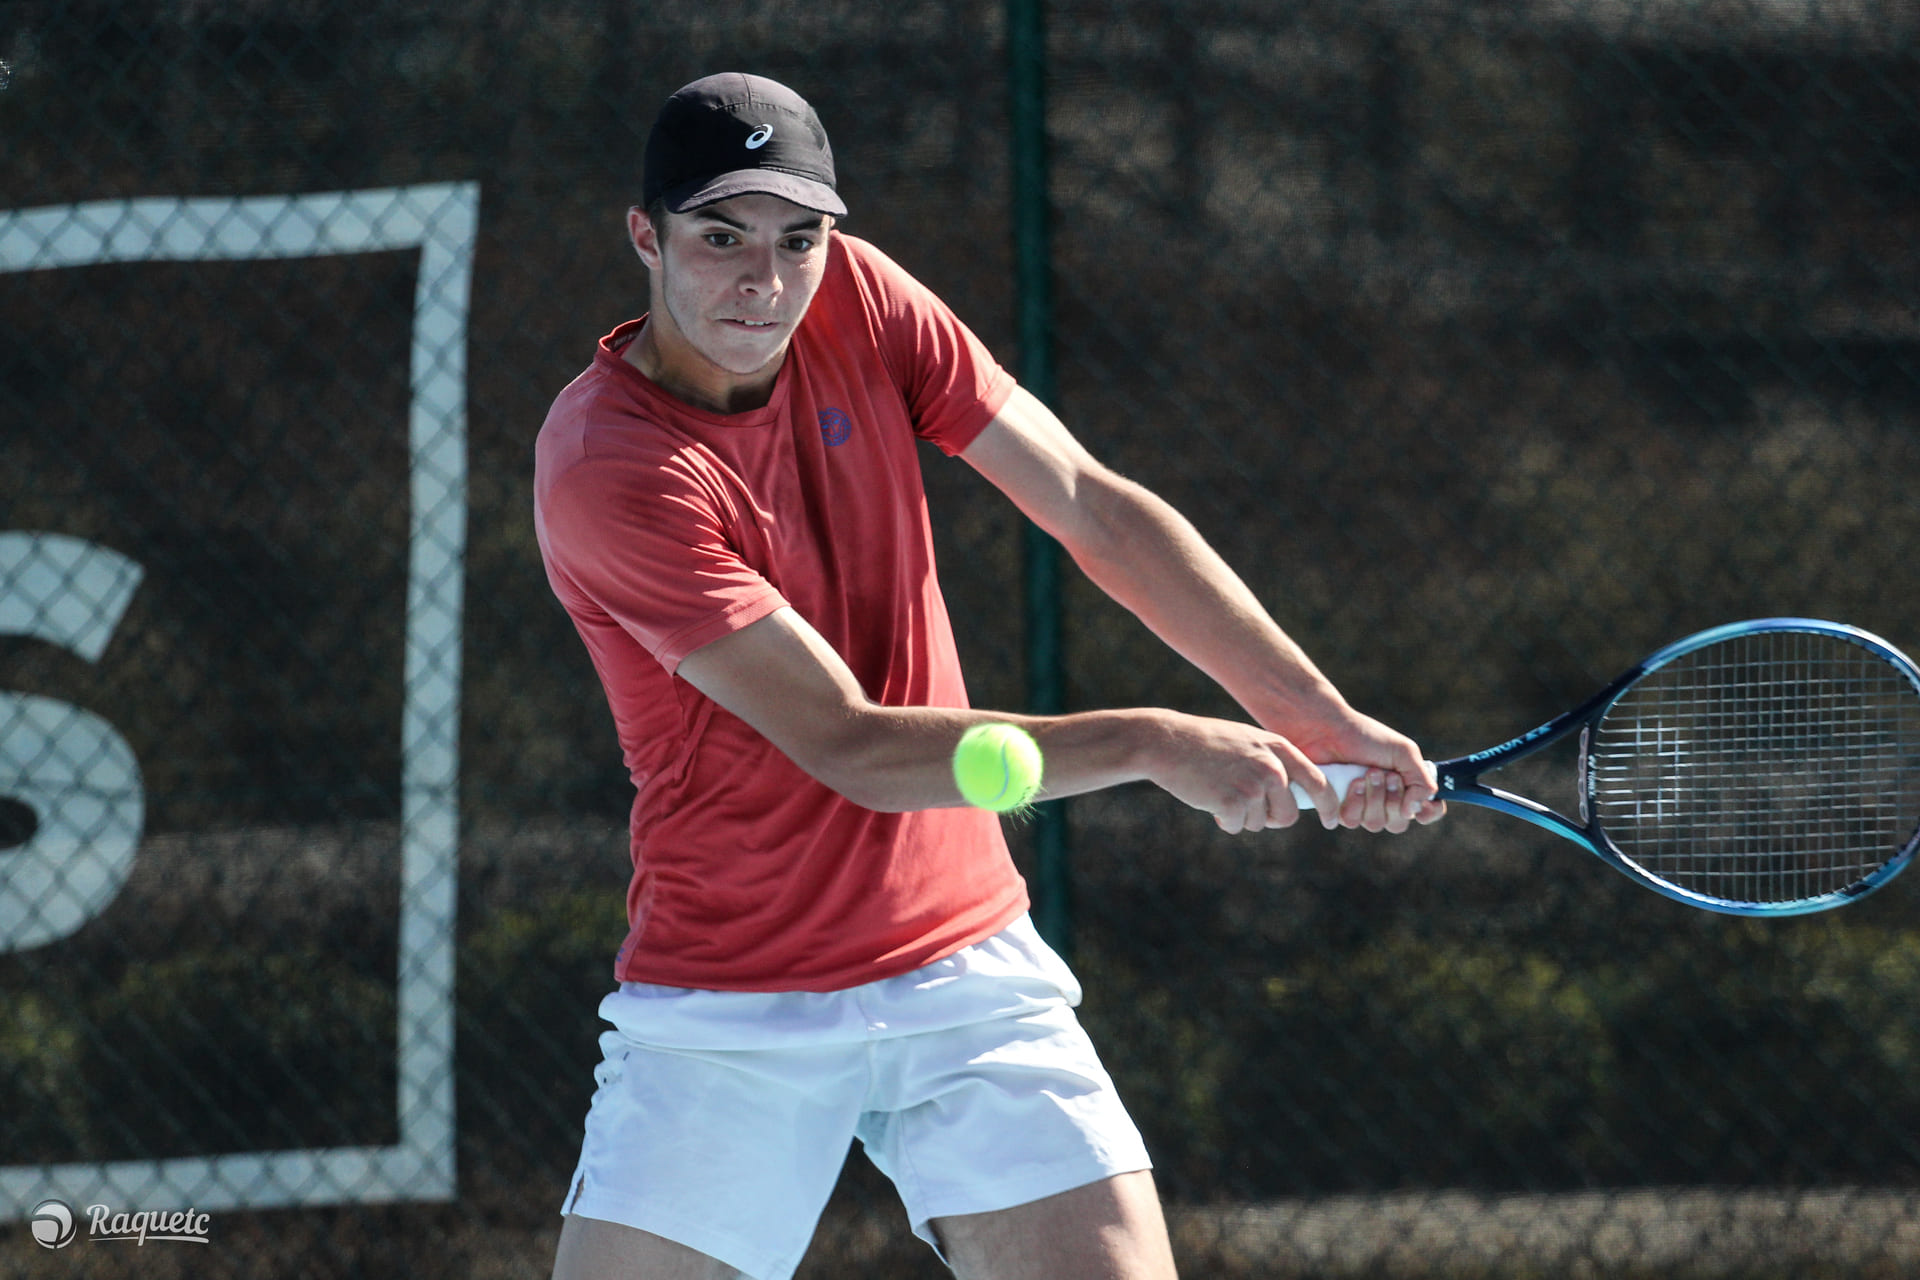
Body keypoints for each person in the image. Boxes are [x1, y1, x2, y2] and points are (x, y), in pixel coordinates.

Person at [534, 72, 1444, 1280]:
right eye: (720, 237)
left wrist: (1315, 717)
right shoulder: (610, 465)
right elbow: (851, 744)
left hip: (961, 964)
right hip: (732, 997)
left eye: (798, 238)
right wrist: (1156, 741)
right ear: (646, 238)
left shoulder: (862, 299)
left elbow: (1089, 504)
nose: (766, 279)